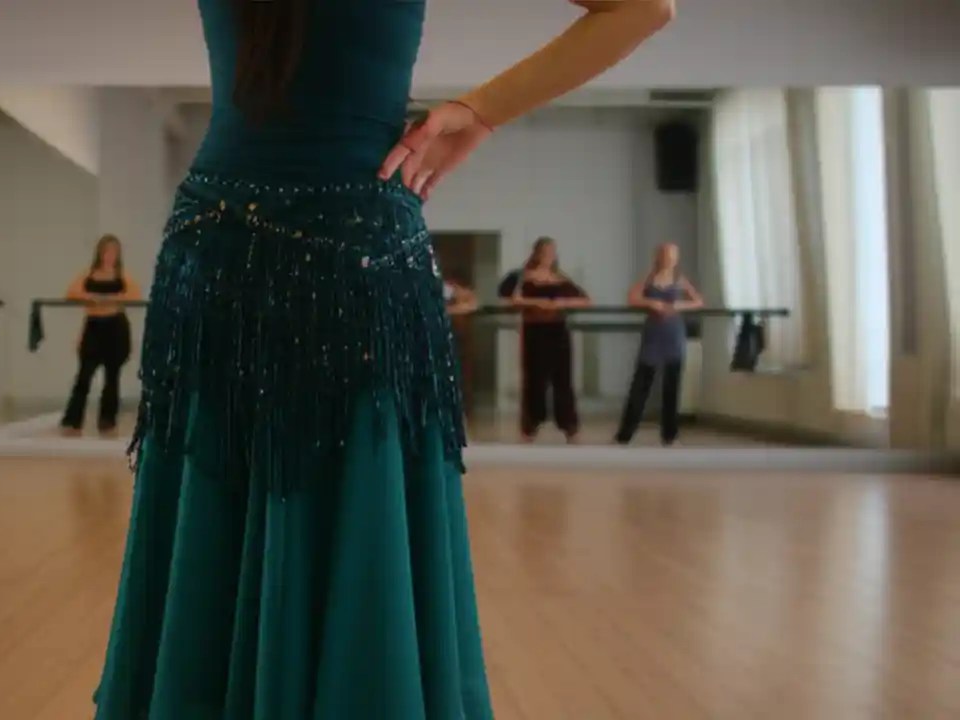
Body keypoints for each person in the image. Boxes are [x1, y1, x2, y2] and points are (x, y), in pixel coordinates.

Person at [93, 0, 675, 717]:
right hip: (355, 235)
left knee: (224, 503)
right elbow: (644, 7)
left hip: (225, 237)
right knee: (353, 497)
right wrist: (483, 111)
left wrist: (482, 111)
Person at [615, 242, 703, 446]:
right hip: (654, 334)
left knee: (672, 386)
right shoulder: (649, 278)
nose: (668, 258)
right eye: (664, 254)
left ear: (676, 258)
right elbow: (632, 297)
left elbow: (698, 301)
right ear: (658, 256)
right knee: (641, 385)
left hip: (673, 334)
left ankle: (669, 435)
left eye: (672, 255)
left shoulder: (679, 279)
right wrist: (650, 303)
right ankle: (625, 435)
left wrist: (680, 305)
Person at [509, 237, 591, 443]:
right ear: (536, 253)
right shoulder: (522, 277)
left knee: (563, 379)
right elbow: (511, 299)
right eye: (544, 252)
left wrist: (559, 303)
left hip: (558, 331)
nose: (548, 256)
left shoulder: (560, 278)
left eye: (551, 252)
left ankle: (569, 427)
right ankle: (530, 427)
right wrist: (538, 303)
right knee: (534, 379)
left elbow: (585, 300)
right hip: (534, 331)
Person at [60, 234, 139, 435]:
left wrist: (110, 299)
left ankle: (107, 421)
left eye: (114, 252)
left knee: (112, 377)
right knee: (84, 375)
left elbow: (134, 295)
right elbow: (71, 292)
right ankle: (72, 421)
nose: (110, 256)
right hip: (94, 326)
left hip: (116, 327)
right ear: (100, 253)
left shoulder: (122, 275)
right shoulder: (89, 274)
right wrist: (91, 297)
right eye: (107, 251)